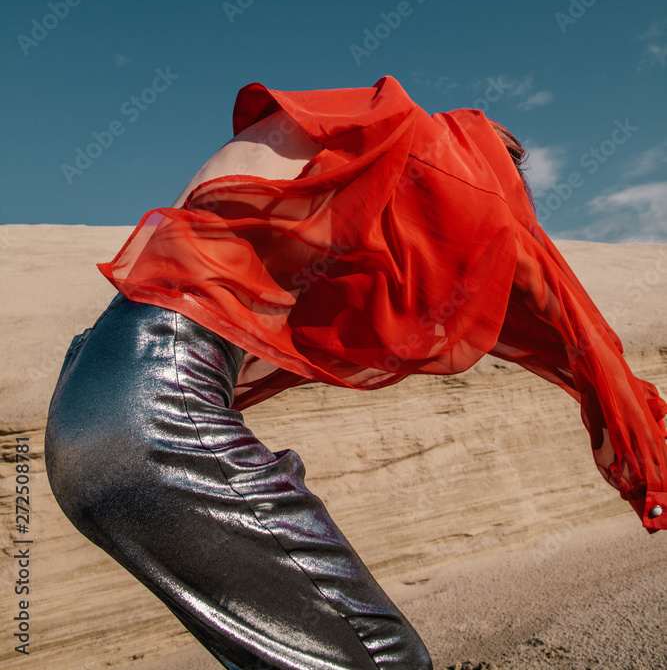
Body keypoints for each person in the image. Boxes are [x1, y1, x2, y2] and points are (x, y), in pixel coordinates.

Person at [45, 74, 667, 670]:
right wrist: (638, 437)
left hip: (89, 400)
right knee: (382, 658)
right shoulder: (437, 154)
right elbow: (555, 310)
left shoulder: (338, 140)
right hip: (160, 401)